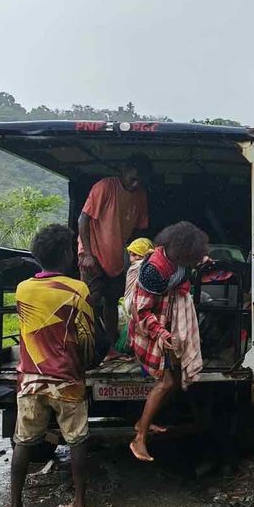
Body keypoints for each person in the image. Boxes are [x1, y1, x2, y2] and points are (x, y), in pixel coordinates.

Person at [7, 224, 96, 507]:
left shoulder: (22, 289)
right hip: (67, 378)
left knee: (23, 441)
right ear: (68, 255)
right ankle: (79, 506)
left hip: (30, 379)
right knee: (77, 439)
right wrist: (87, 363)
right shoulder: (78, 289)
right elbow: (87, 336)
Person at [128, 222, 209, 462]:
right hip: (150, 330)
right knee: (166, 382)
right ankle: (139, 437)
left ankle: (142, 422)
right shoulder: (154, 270)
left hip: (166, 325)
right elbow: (141, 311)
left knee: (172, 381)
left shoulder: (175, 260)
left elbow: (185, 272)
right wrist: (161, 333)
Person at [77, 155, 151, 353]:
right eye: (133, 179)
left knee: (112, 300)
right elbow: (83, 220)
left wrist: (138, 256)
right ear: (123, 171)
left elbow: (139, 229)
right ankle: (91, 347)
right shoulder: (105, 187)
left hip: (116, 257)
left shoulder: (140, 195)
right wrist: (87, 254)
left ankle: (111, 345)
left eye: (140, 181)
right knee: (91, 301)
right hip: (93, 253)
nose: (136, 184)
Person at [116, 237, 155, 354]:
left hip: (133, 302)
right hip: (134, 301)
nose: (136, 258)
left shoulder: (140, 266)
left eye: (139, 255)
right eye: (133, 255)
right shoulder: (140, 267)